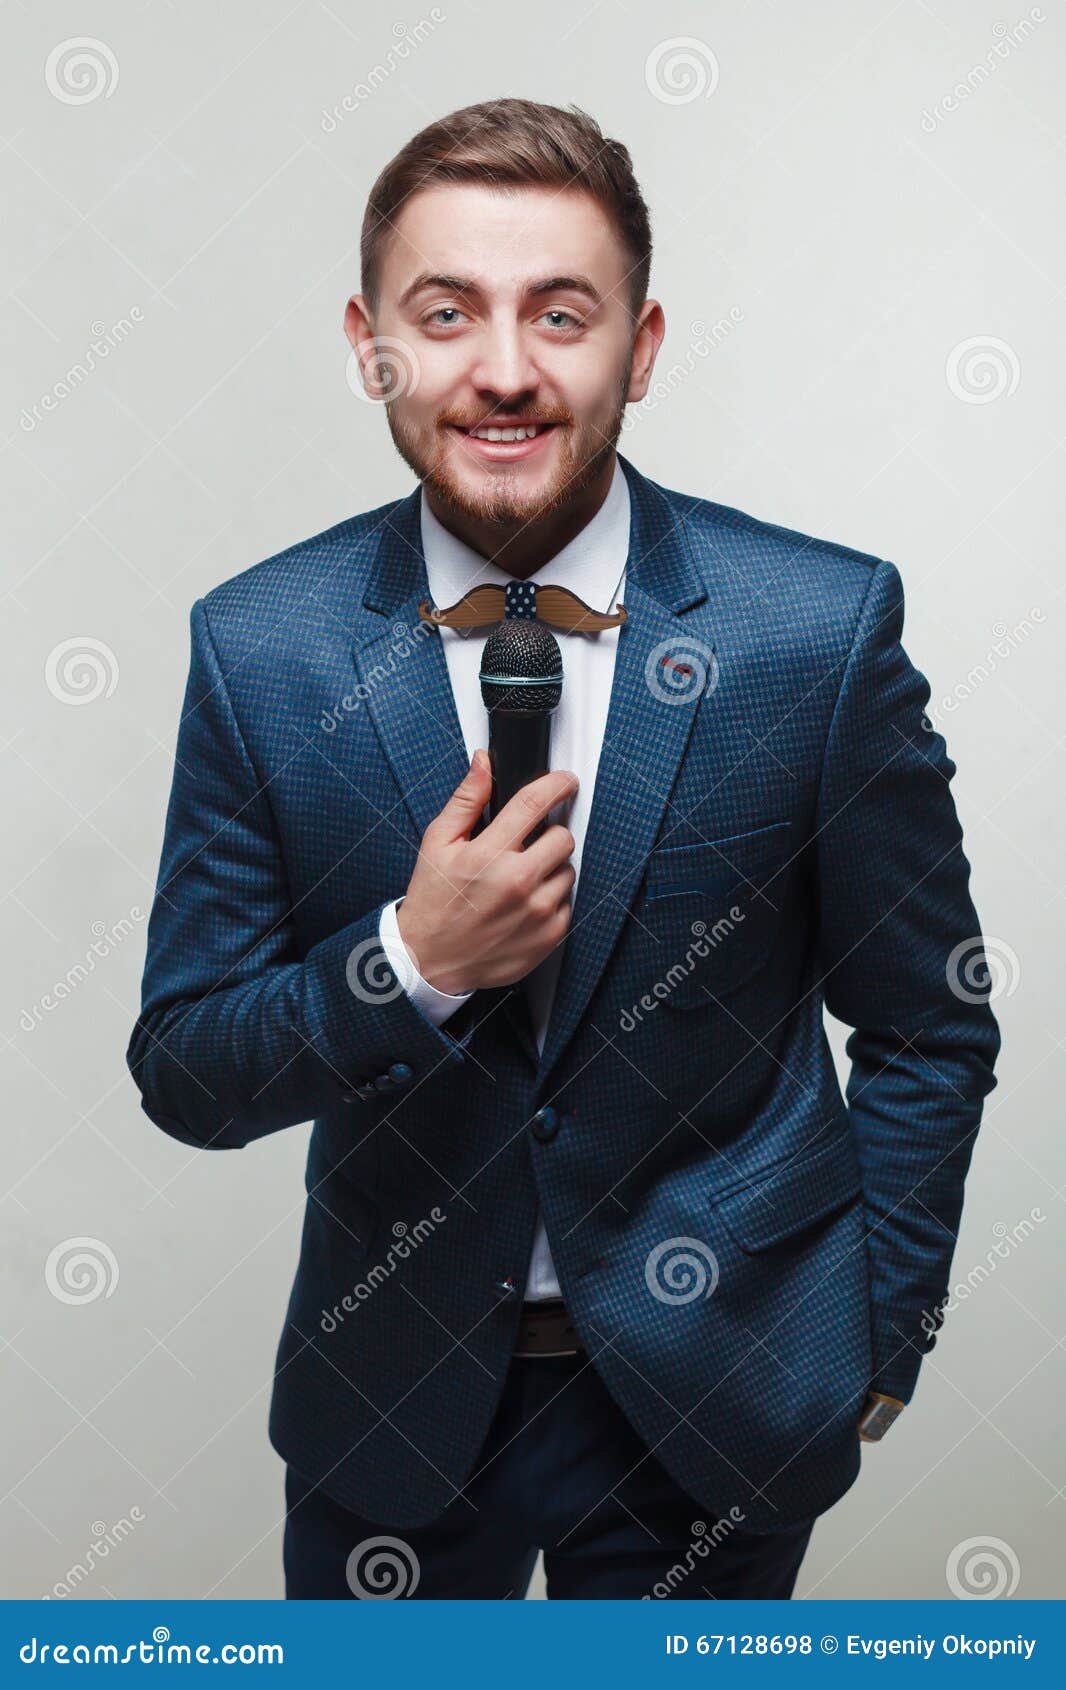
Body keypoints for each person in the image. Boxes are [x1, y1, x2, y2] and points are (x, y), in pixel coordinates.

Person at [127, 97, 1000, 1600]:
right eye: (447, 313)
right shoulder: (257, 648)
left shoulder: (814, 632)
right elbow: (188, 1065)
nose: (507, 369)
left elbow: (928, 1021)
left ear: (640, 346)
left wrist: (877, 1330)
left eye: (561, 314)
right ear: (369, 343)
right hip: (389, 1409)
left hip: (715, 1413)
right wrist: (409, 964)